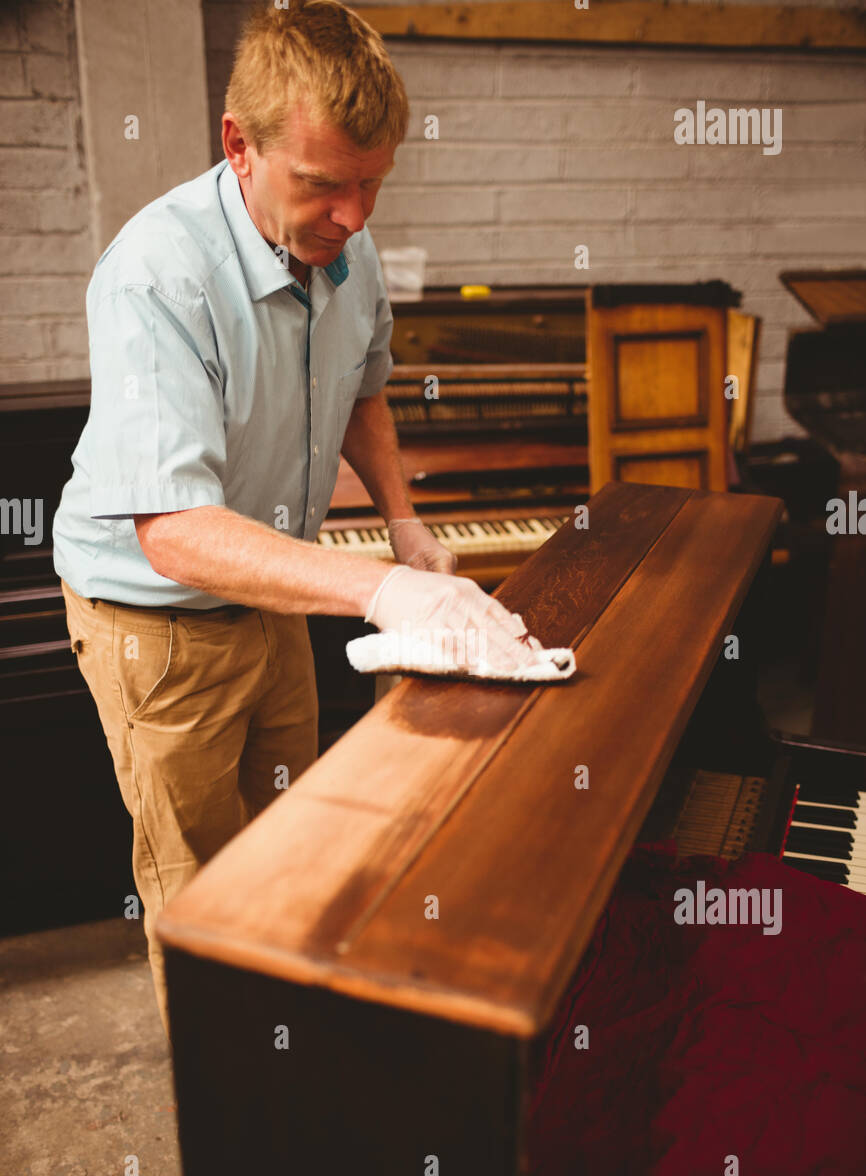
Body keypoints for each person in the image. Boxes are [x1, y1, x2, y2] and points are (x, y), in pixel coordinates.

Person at [53, 0, 539, 1037]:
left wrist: (402, 523)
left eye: (372, 183)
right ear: (238, 145)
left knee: (297, 837)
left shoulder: (345, 247)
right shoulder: (156, 274)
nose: (356, 218)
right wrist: (385, 586)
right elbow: (173, 528)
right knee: (205, 890)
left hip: (274, 588)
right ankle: (234, 1119)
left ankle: (296, 1053)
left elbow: (364, 385)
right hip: (160, 621)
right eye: (325, 185)